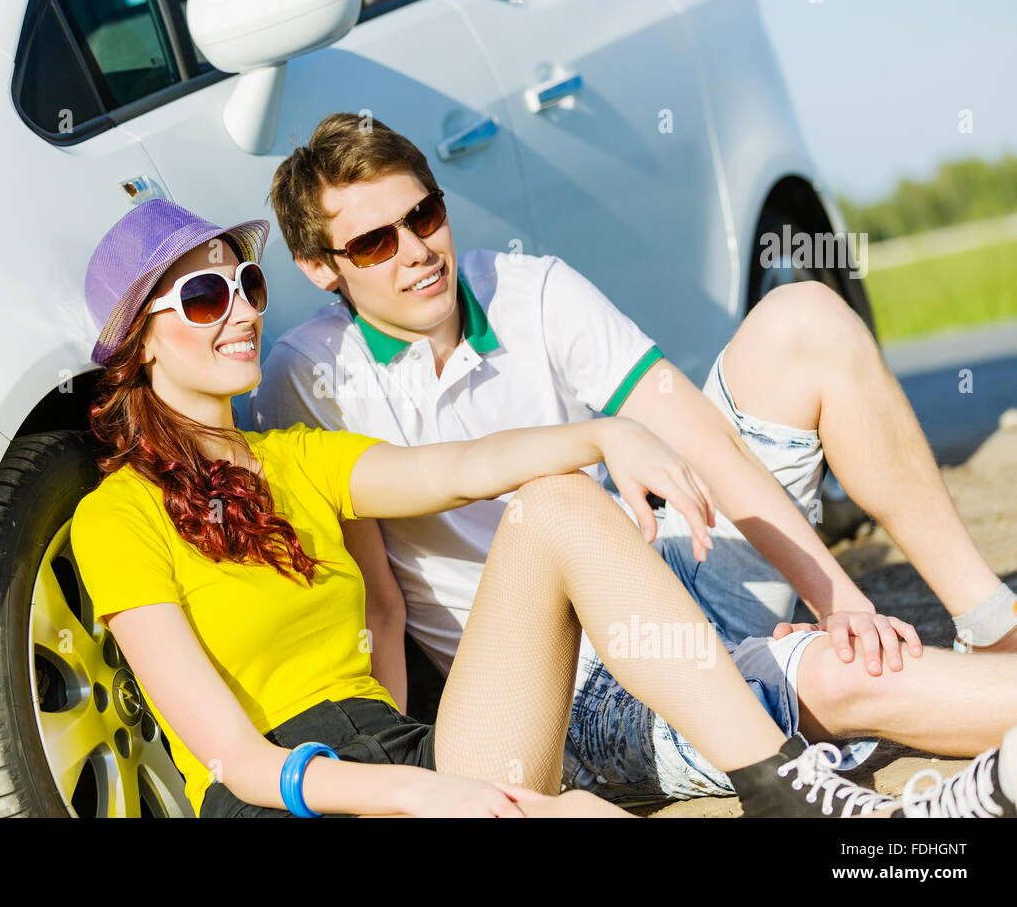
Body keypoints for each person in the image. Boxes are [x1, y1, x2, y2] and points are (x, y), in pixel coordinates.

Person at [68, 198, 989, 818]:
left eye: (245, 284)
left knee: (554, 504)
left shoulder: (297, 458)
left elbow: (463, 467)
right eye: (202, 295)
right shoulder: (117, 518)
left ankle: (794, 790)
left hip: (419, 757)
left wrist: (601, 439)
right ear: (138, 346)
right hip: (307, 794)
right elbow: (230, 759)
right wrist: (426, 797)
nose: (238, 309)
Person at [250, 112, 1017, 817]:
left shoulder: (530, 288)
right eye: (375, 243)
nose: (417, 252)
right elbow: (377, 604)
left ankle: (990, 624)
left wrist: (836, 598)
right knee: (837, 676)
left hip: (663, 560)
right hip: (578, 680)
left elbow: (701, 439)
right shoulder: (309, 378)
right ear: (321, 267)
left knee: (804, 319)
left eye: (424, 215)